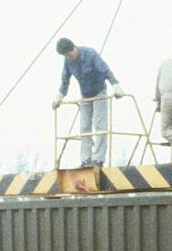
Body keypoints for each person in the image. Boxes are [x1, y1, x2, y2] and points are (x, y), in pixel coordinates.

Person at [53, 37, 126, 167]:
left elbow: (105, 70)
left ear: (74, 48)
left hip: (99, 93)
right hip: (85, 96)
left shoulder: (90, 54)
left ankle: (98, 159)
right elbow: (65, 81)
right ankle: (85, 160)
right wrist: (60, 96)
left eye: (69, 54)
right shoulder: (68, 61)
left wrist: (115, 85)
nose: (69, 57)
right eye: (66, 56)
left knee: (100, 126)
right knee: (84, 128)